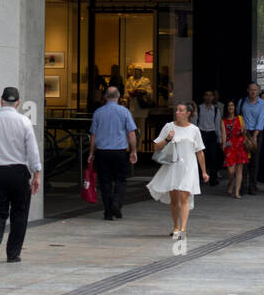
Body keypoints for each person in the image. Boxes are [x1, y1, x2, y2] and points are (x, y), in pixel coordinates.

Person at [0, 86, 42, 264]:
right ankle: (13, 253)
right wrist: (36, 172)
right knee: (19, 213)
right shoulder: (24, 122)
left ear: (1, 100)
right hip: (18, 172)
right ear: (18, 102)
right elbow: (32, 150)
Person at [149, 101, 210, 239]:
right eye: (177, 110)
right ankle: (176, 226)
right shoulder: (169, 127)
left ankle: (183, 228)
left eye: (181, 110)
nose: (177, 112)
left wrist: (204, 171)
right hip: (173, 166)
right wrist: (167, 139)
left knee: (184, 196)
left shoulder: (194, 130)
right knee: (174, 199)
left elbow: (200, 151)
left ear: (188, 113)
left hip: (189, 166)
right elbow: (156, 146)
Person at [88, 85, 138, 220]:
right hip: (119, 152)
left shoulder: (98, 112)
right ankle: (116, 202)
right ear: (118, 96)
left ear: (105, 97)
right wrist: (133, 151)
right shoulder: (125, 112)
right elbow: (131, 133)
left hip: (102, 152)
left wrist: (91, 152)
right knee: (121, 180)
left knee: (105, 182)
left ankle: (108, 211)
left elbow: (93, 135)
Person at [241, 83, 264, 195]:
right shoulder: (242, 102)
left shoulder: (262, 104)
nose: (253, 92)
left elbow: (261, 119)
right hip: (244, 132)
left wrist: (255, 135)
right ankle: (242, 185)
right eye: (251, 89)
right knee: (243, 160)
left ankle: (252, 185)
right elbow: (240, 116)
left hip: (256, 133)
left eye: (255, 90)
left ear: (258, 91)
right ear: (248, 90)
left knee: (254, 160)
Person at [220, 100, 249, 198]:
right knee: (231, 171)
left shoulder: (240, 118)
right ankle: (230, 184)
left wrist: (243, 130)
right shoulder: (223, 120)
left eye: (232, 105)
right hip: (229, 145)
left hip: (240, 145)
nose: (230, 107)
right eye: (228, 105)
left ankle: (236, 192)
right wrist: (223, 144)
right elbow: (223, 133)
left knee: (239, 170)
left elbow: (245, 132)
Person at [196, 90, 223, 187]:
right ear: (204, 97)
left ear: (213, 97)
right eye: (206, 95)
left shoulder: (216, 110)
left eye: (210, 96)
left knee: (213, 157)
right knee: (199, 157)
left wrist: (219, 139)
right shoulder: (199, 108)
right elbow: (195, 124)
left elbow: (217, 125)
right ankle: (198, 179)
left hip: (211, 134)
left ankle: (213, 179)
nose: (208, 97)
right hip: (201, 133)